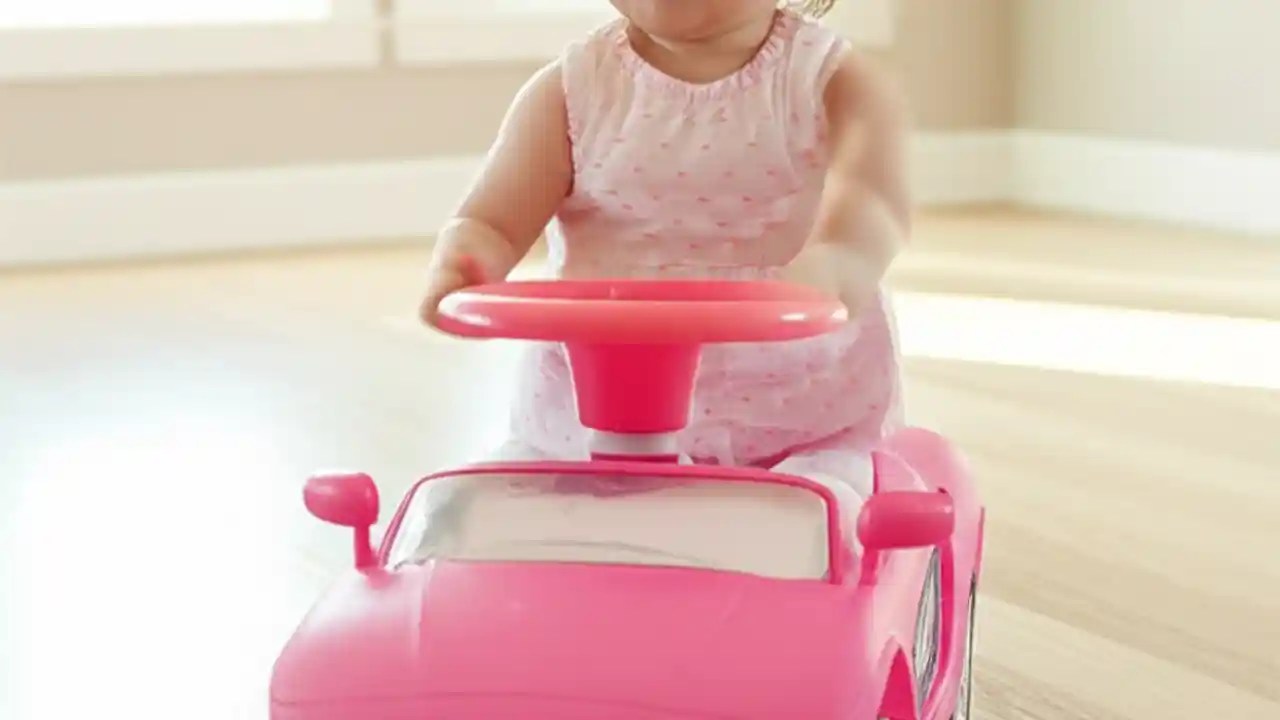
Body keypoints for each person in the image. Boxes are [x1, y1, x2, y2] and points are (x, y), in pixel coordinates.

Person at [419, 0, 910, 512]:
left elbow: (875, 207)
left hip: (799, 417)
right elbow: (493, 220)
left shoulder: (832, 80)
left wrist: (838, 260)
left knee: (818, 515)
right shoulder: (572, 91)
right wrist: (468, 257)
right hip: (590, 424)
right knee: (474, 508)